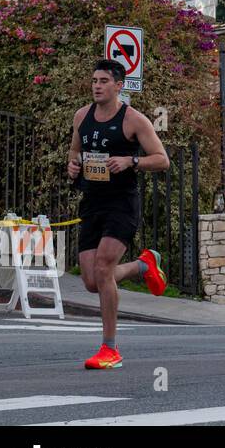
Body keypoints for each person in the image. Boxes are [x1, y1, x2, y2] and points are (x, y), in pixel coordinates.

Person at [67, 59, 170, 370]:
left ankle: (109, 349)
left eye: (103, 81)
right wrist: (72, 165)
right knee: (90, 281)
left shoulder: (134, 120)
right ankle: (143, 265)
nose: (97, 85)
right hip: (92, 202)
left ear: (118, 85)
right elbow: (75, 151)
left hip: (121, 204)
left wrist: (131, 162)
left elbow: (162, 159)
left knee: (103, 267)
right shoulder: (81, 116)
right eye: (94, 80)